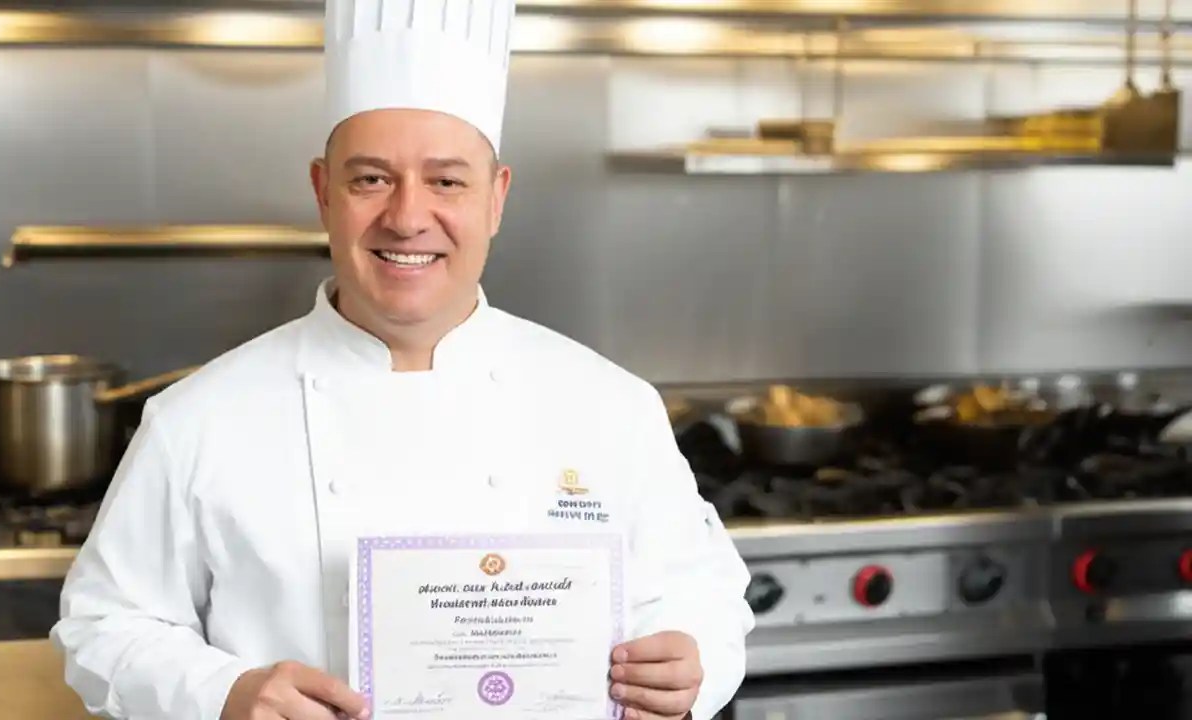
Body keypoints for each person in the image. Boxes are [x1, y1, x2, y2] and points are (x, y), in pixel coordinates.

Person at [50, 1, 754, 718]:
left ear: (496, 199)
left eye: (446, 181)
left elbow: (708, 597)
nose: (408, 217)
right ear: (324, 192)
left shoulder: (611, 406)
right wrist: (221, 694)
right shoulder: (198, 419)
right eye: (371, 179)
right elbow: (102, 627)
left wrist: (692, 658)